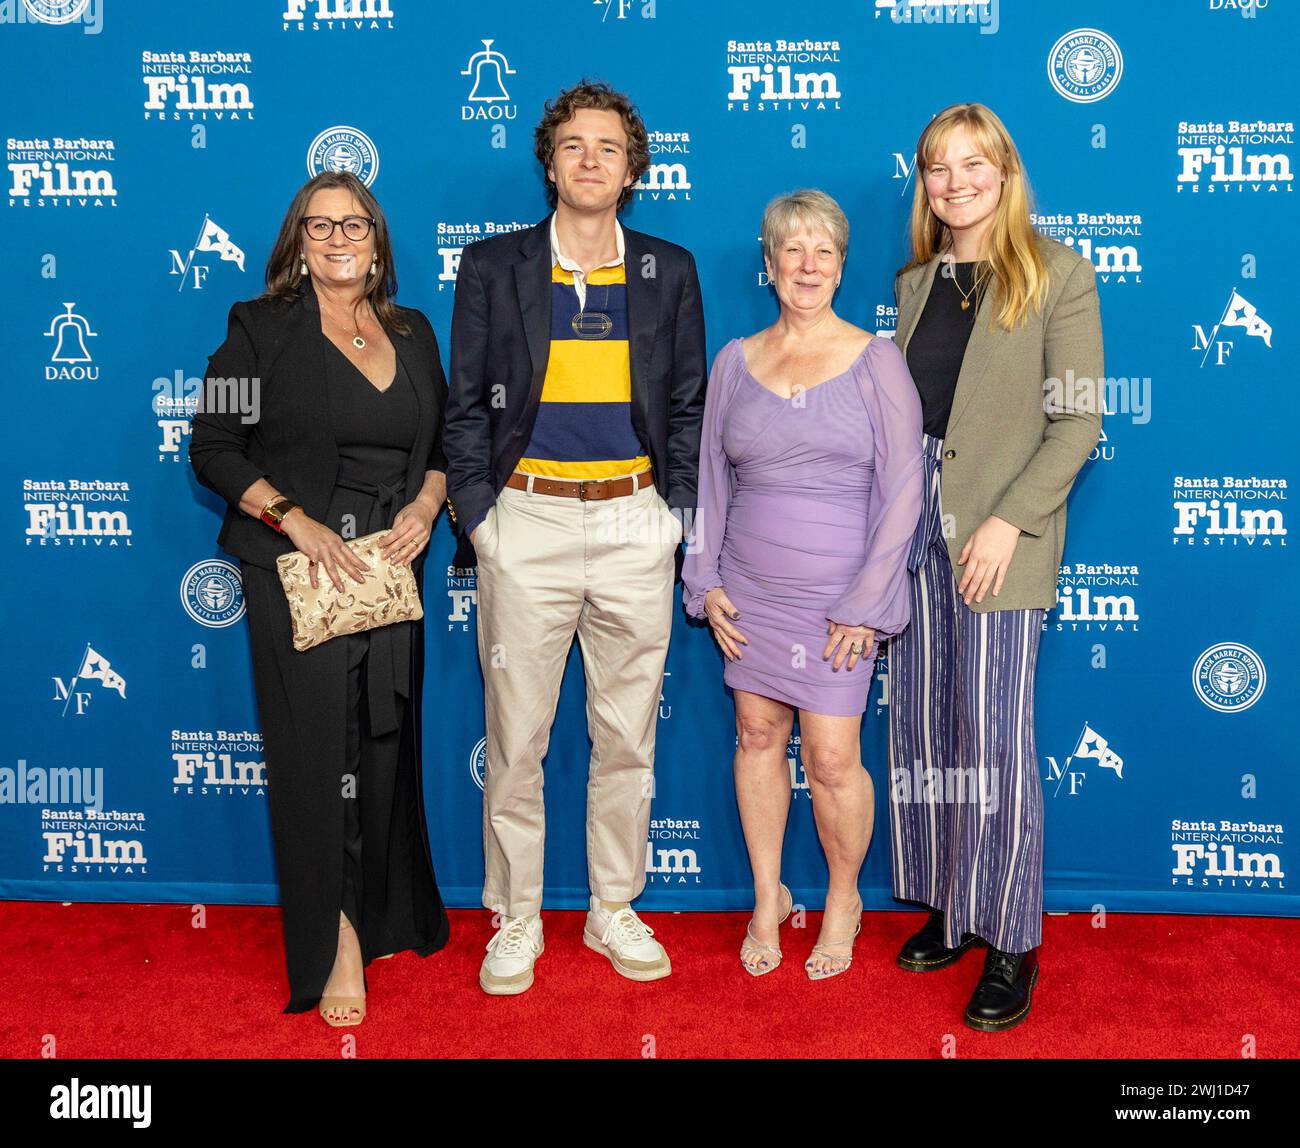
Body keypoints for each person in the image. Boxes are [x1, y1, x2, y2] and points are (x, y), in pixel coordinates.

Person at [442, 81, 706, 995]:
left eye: (609, 147)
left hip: (637, 519)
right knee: (517, 737)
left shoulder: (667, 270)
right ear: (549, 162)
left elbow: (685, 405)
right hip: (528, 520)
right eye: (574, 146)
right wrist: (481, 521)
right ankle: (515, 917)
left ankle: (611, 907)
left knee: (626, 735)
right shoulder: (494, 266)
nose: (591, 160)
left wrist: (674, 517)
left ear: (633, 168)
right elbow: (466, 404)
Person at [189, 171, 451, 1026]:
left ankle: (383, 917)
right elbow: (214, 446)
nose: (339, 240)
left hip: (387, 566)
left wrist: (422, 506)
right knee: (317, 764)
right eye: (319, 227)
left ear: (378, 240)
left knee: (382, 744)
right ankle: (333, 942)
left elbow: (445, 441)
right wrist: (292, 519)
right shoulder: (256, 330)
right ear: (296, 244)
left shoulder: (413, 331)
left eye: (354, 225)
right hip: (299, 573)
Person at [888, 103, 1103, 1031]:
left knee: (996, 743)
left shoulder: (1058, 274)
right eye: (938, 167)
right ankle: (951, 903)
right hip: (912, 530)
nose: (955, 181)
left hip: (998, 535)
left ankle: (1012, 938)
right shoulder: (913, 282)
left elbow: (1079, 419)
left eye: (974, 164)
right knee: (927, 733)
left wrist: (1009, 522)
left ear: (1006, 173)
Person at [682, 190, 924, 980]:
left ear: (843, 265)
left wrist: (868, 601)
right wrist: (703, 576)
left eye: (824, 251)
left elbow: (904, 490)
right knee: (756, 737)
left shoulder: (876, 360)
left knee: (829, 757)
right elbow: (708, 482)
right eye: (793, 250)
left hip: (839, 603)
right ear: (770, 263)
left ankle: (845, 898)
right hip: (750, 592)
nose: (808, 265)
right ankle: (765, 895)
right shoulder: (734, 361)